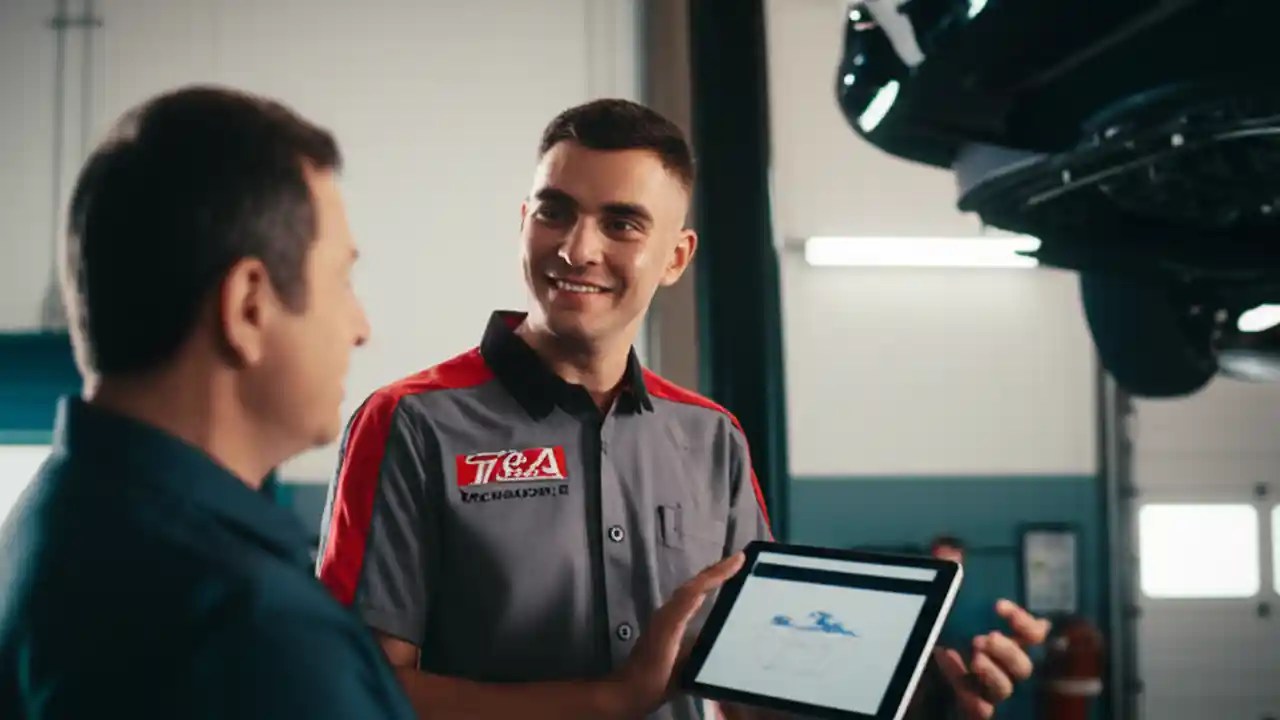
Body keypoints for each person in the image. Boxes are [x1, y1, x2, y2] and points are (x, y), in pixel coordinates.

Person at [315, 98, 1047, 720]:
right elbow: (354, 688)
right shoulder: (413, 422)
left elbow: (751, 694)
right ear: (524, 221)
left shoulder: (710, 438)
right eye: (555, 212)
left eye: (622, 224)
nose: (577, 248)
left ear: (675, 257)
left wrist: (928, 700)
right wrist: (605, 702)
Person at [0, 86, 414, 719]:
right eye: (341, 280)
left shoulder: (46, 524)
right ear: (248, 306)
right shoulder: (263, 635)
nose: (360, 328)